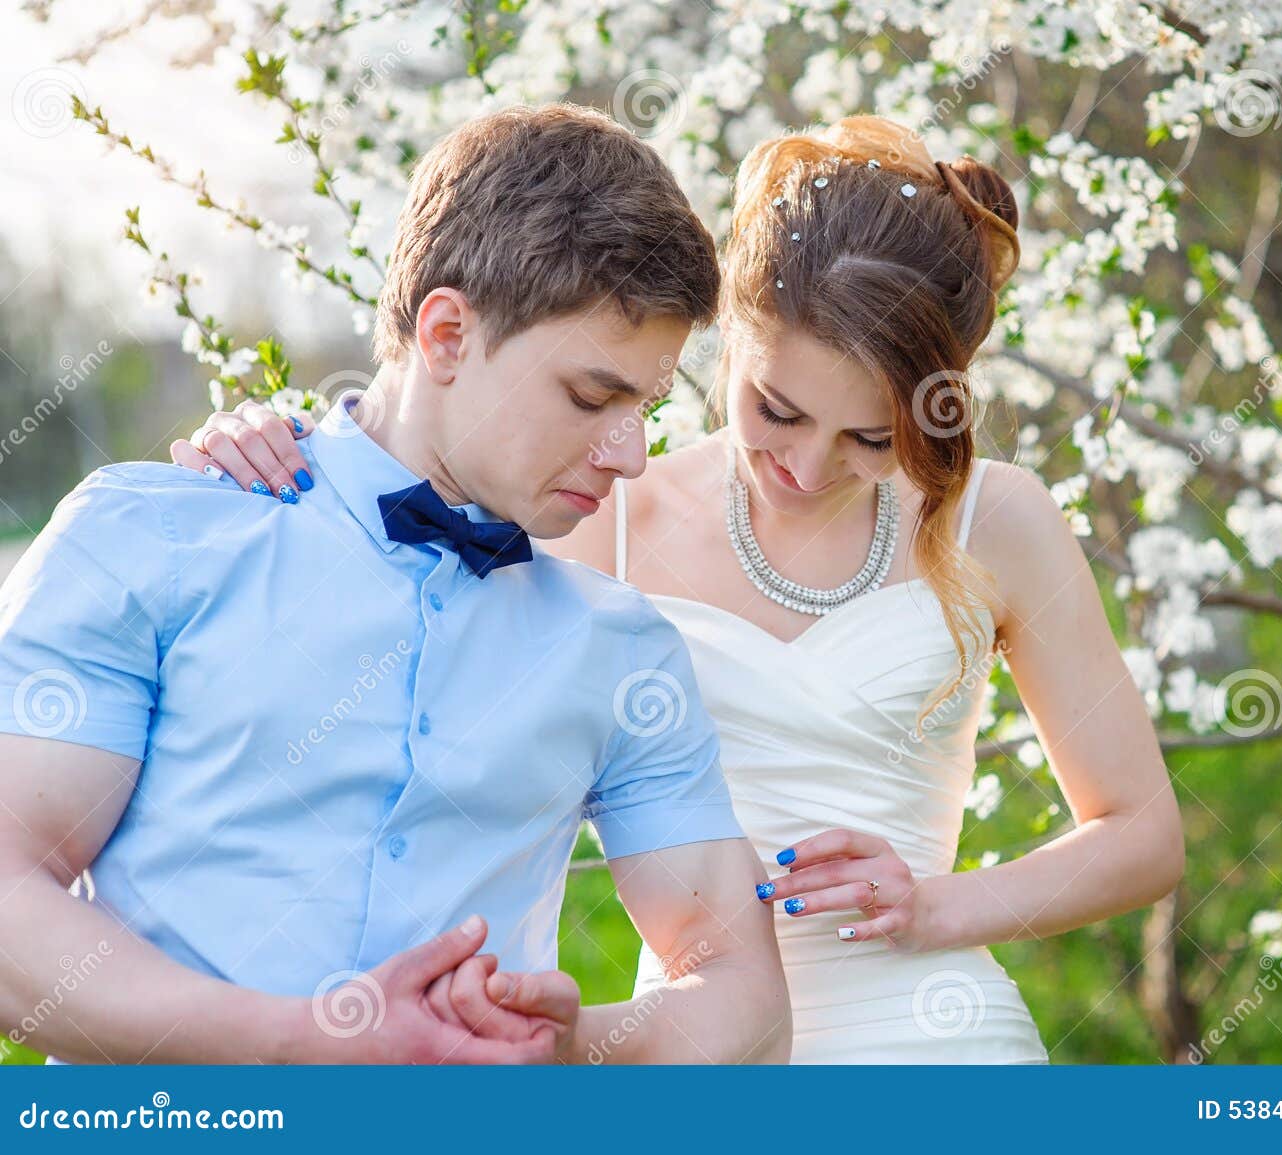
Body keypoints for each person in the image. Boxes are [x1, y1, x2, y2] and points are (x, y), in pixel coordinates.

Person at [176, 116, 1182, 1064]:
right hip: (702, 1048)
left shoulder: (990, 521)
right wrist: (279, 450)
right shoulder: (592, 514)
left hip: (936, 1039)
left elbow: (1141, 834)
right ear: (727, 337)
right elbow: (412, 503)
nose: (806, 464)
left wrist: (935, 906)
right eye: (775, 410)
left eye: (872, 438)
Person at [0, 103, 789, 1065]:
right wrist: (303, 1042)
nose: (630, 454)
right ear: (447, 332)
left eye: (646, 406)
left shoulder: (623, 647)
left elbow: (742, 991)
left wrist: (575, 1042)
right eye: (592, 397)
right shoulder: (153, 535)